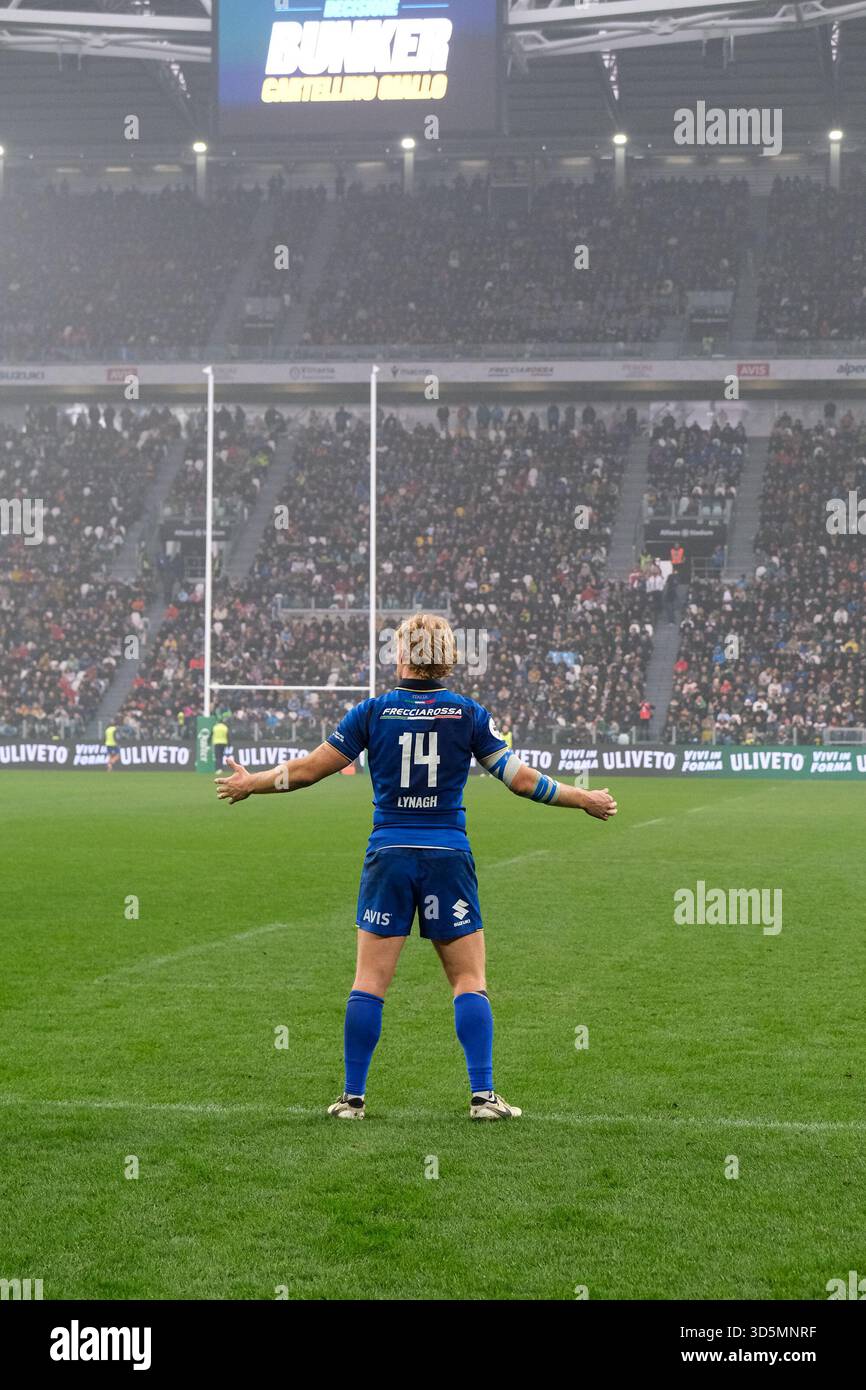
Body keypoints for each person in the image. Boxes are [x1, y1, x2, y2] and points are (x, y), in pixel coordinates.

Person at [215, 613, 618, 1122]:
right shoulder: (468, 714)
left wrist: (251, 784)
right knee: (469, 980)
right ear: (447, 656)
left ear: (401, 654)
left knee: (369, 982)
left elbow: (309, 771)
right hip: (447, 855)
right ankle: (483, 1097)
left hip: (389, 854)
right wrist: (582, 797)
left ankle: (352, 1098)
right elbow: (519, 780)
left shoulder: (372, 712)